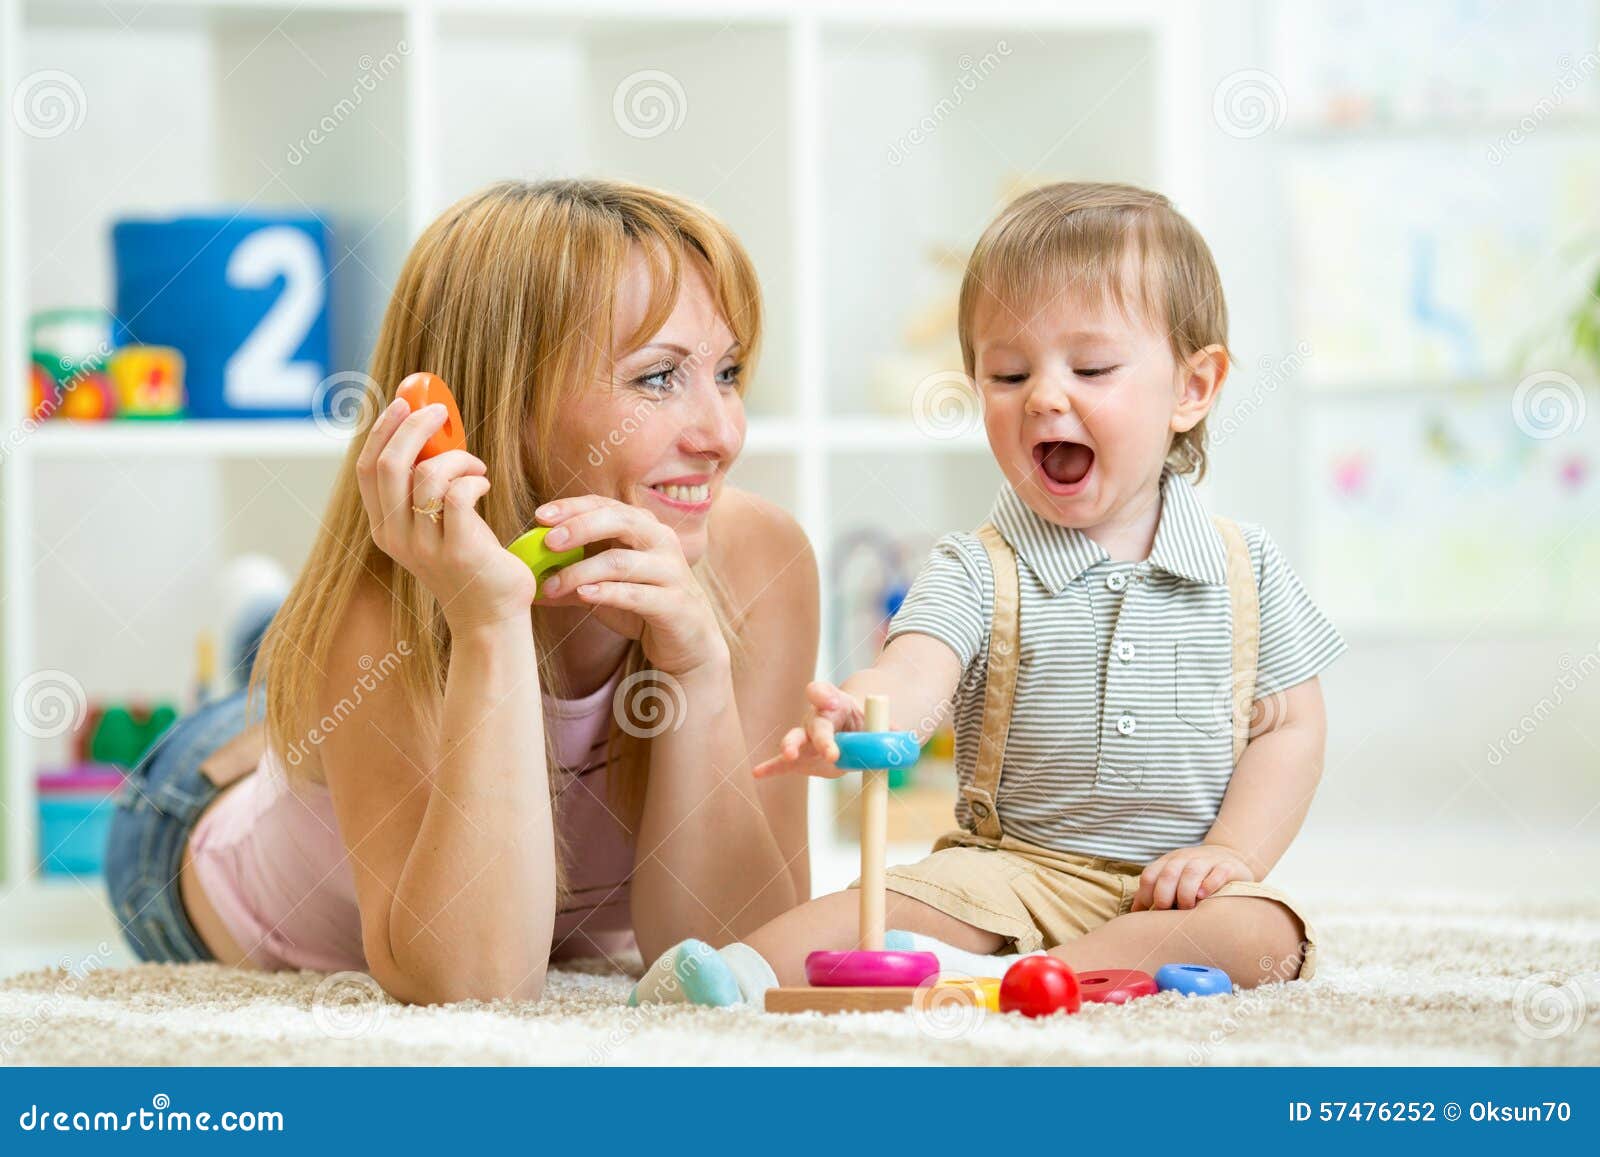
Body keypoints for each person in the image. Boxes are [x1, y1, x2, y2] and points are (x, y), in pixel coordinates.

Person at [105, 179, 817, 1005]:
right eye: (657, 379)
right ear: (503, 400)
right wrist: (487, 619)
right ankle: (261, 665)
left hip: (490, 854)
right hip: (188, 820)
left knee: (276, 681)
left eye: (726, 372)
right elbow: (474, 985)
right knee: (277, 699)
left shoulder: (760, 559)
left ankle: (261, 648)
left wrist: (696, 665)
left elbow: (740, 954)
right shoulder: (380, 609)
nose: (723, 434)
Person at [633, 181, 1345, 1006]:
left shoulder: (1245, 566)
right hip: (1003, 875)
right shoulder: (978, 567)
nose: (1043, 395)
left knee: (1269, 934)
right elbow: (912, 675)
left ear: (1193, 387)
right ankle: (737, 974)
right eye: (1008, 373)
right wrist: (862, 713)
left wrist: (1232, 855)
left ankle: (1015, 981)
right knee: (876, 905)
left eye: (1091, 367)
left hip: (1171, 891)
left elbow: (1290, 728)